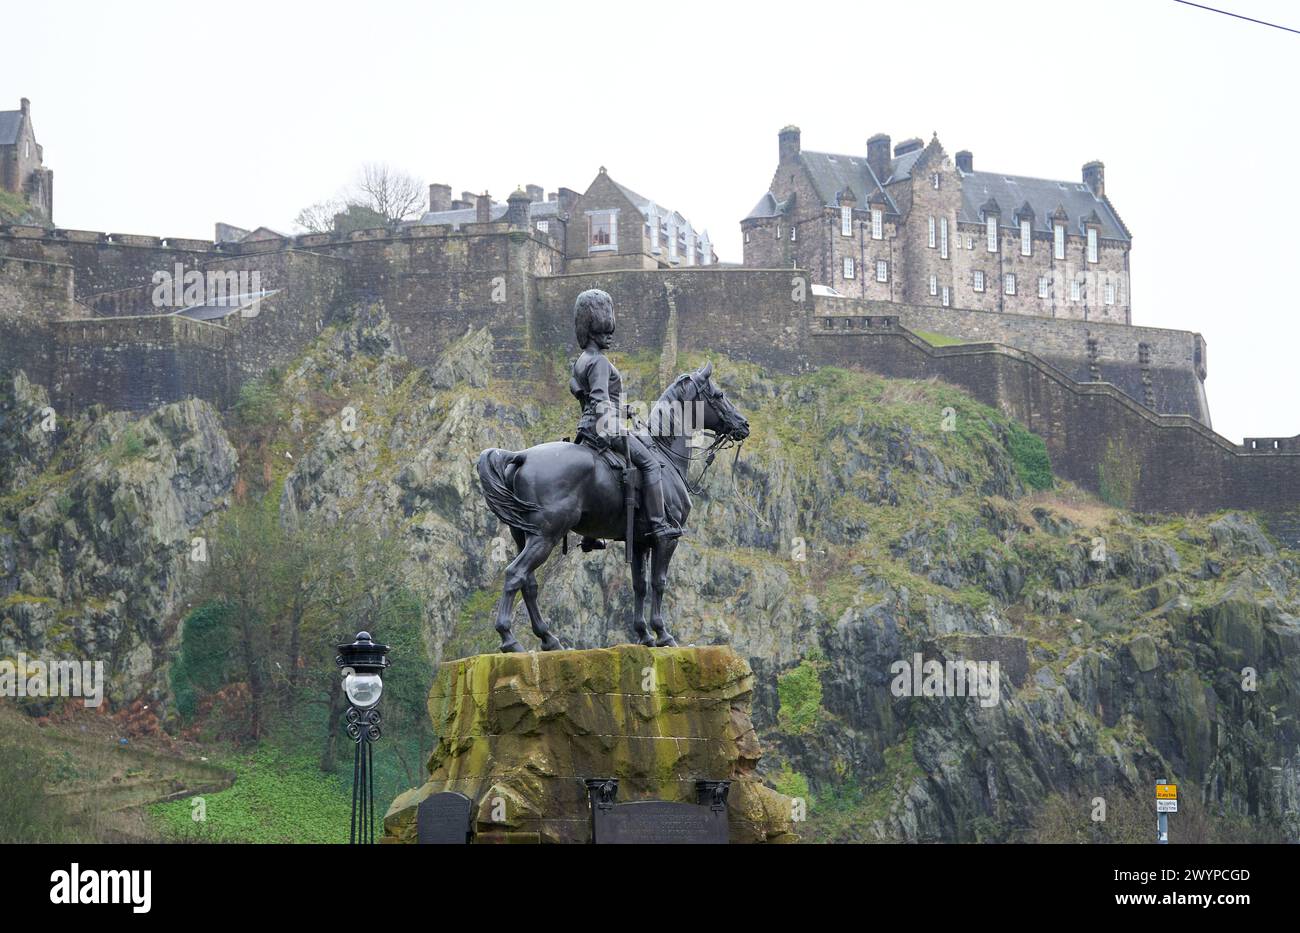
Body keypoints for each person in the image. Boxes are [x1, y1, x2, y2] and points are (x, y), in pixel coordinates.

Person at [570, 288, 681, 545]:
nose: (609, 336)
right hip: (604, 428)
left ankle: (590, 534)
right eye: (603, 331)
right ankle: (658, 524)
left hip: (586, 428)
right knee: (651, 464)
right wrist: (615, 425)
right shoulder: (598, 361)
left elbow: (580, 390)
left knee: (602, 474)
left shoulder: (581, 360)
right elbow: (599, 399)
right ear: (592, 329)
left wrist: (624, 409)